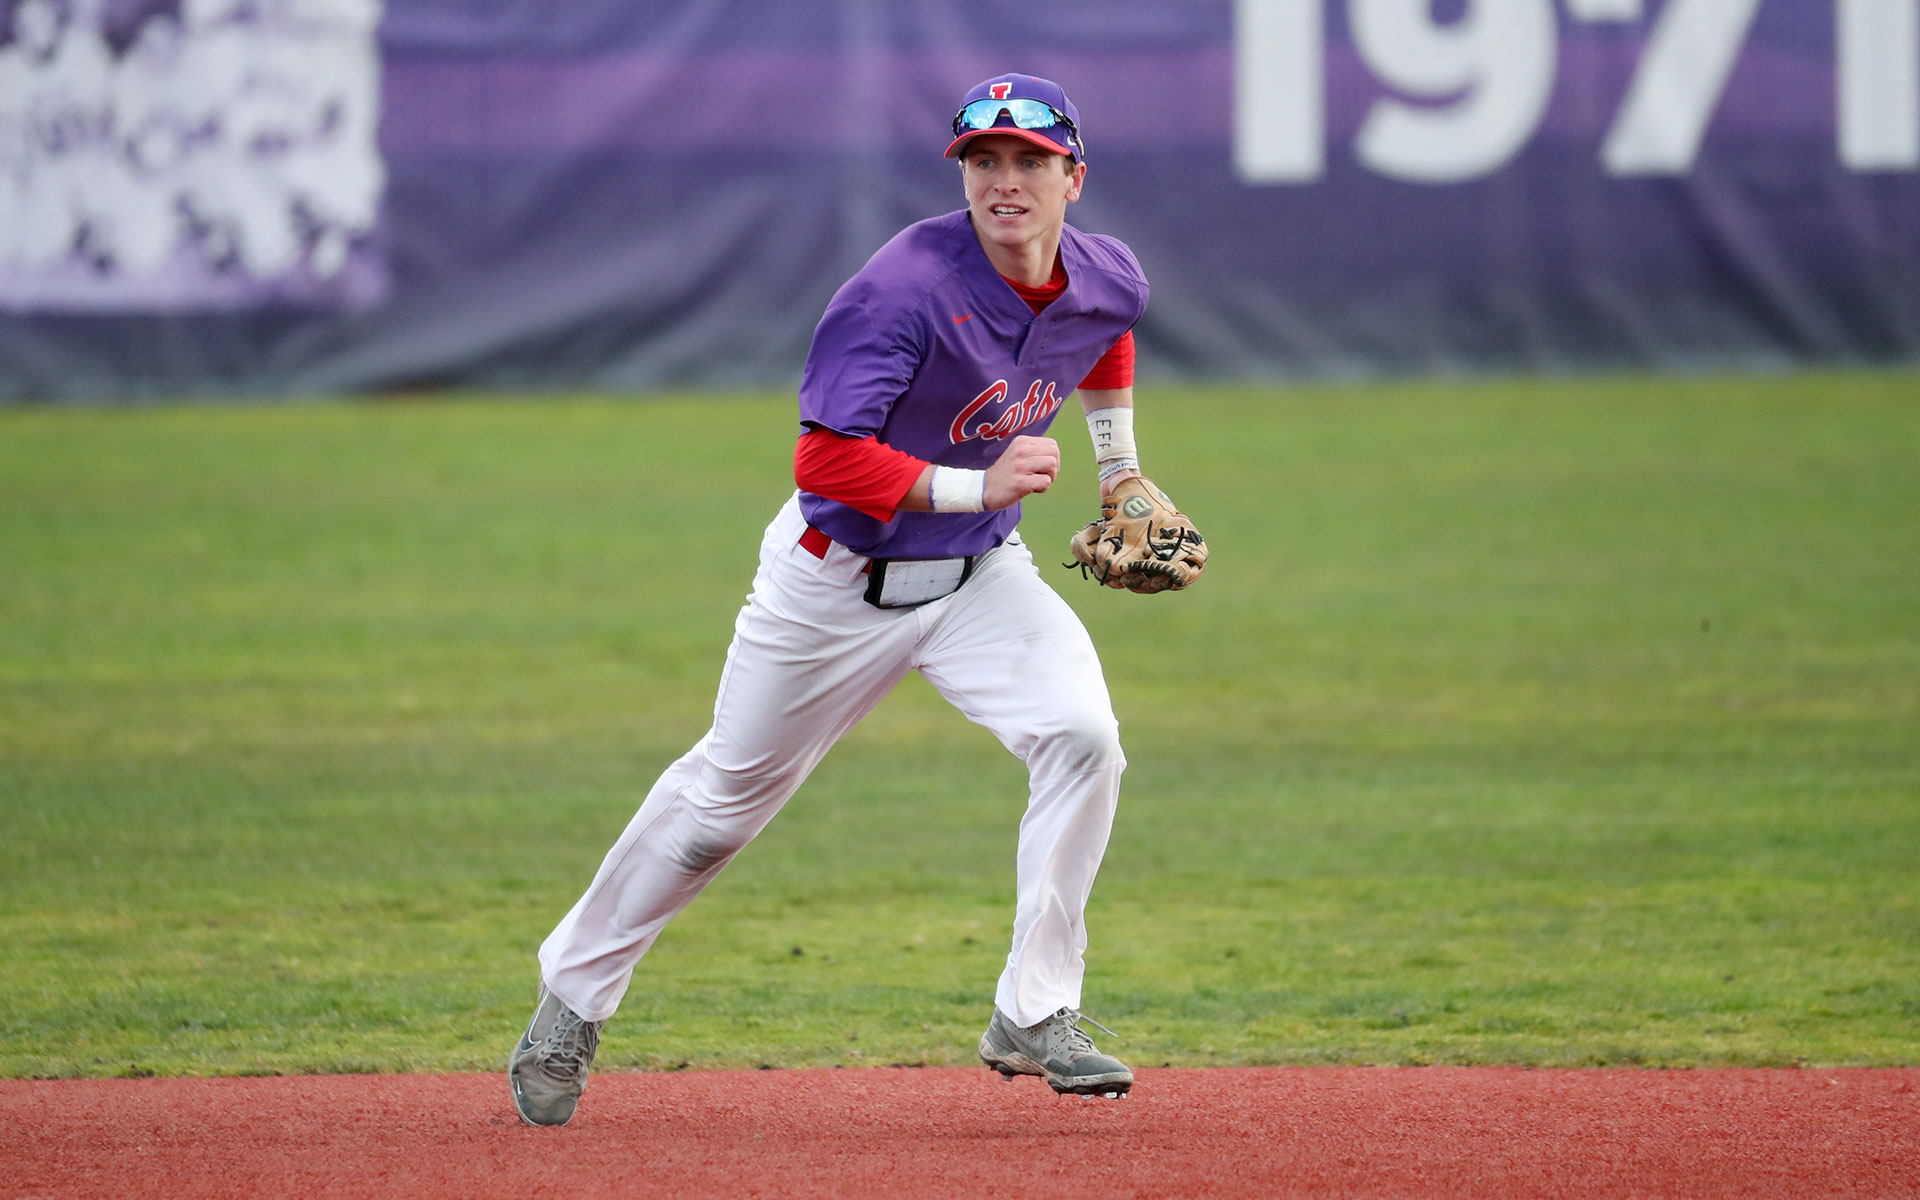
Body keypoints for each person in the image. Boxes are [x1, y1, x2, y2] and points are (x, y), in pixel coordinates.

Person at [509, 71, 1182, 1126]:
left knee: (1084, 735)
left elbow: (1103, 332)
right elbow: (824, 461)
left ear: (1073, 179)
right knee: (713, 817)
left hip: (977, 575)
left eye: (1029, 161)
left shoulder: (1107, 275)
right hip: (835, 580)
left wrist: (1120, 468)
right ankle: (571, 1000)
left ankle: (1035, 1009)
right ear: (961, 175)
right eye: (983, 160)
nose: (1005, 180)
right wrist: (978, 483)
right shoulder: (900, 286)